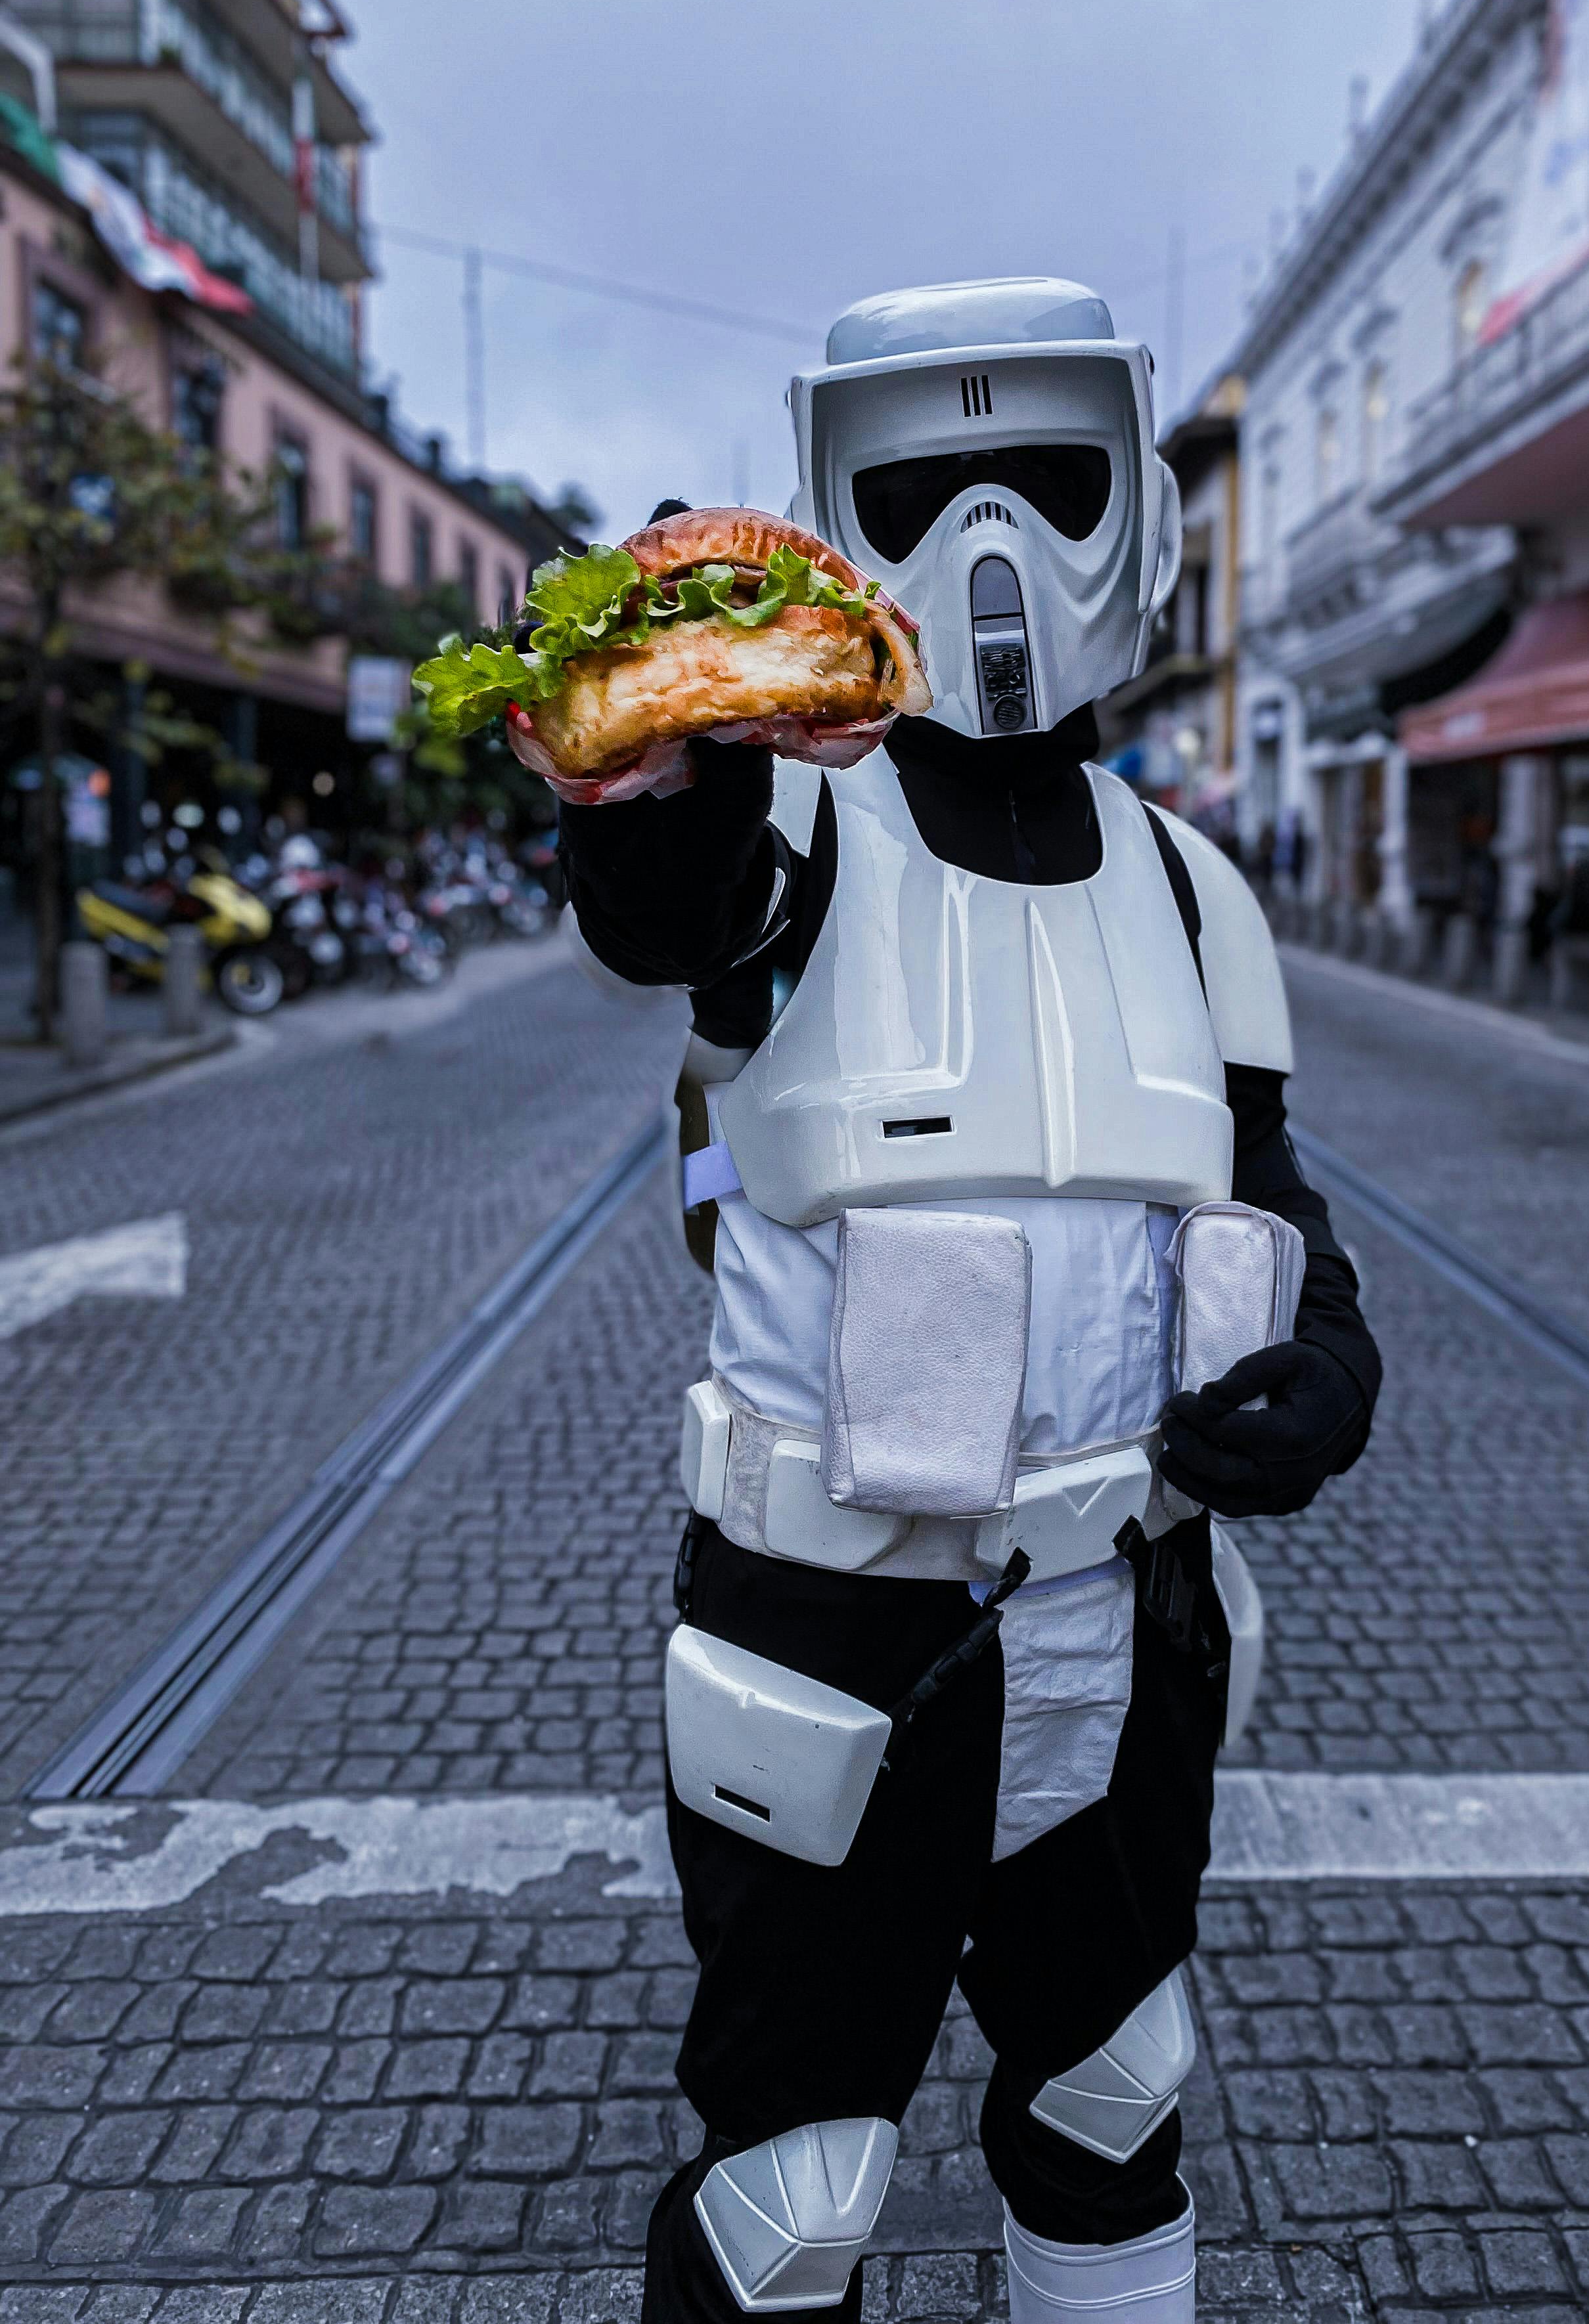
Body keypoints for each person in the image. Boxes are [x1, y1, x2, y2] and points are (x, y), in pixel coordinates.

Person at [554, 279, 1382, 2324]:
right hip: (840, 1625)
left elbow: (1258, 1178)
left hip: (1133, 1607)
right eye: (930, 486)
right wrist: (676, 752)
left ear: (1139, 509)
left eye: (1044, 478)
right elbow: (668, 914)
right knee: (797, 2193)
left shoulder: (1194, 882)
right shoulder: (783, 819)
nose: (993, 538)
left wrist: (1327, 1350)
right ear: (842, 509)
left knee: (1114, 2101)